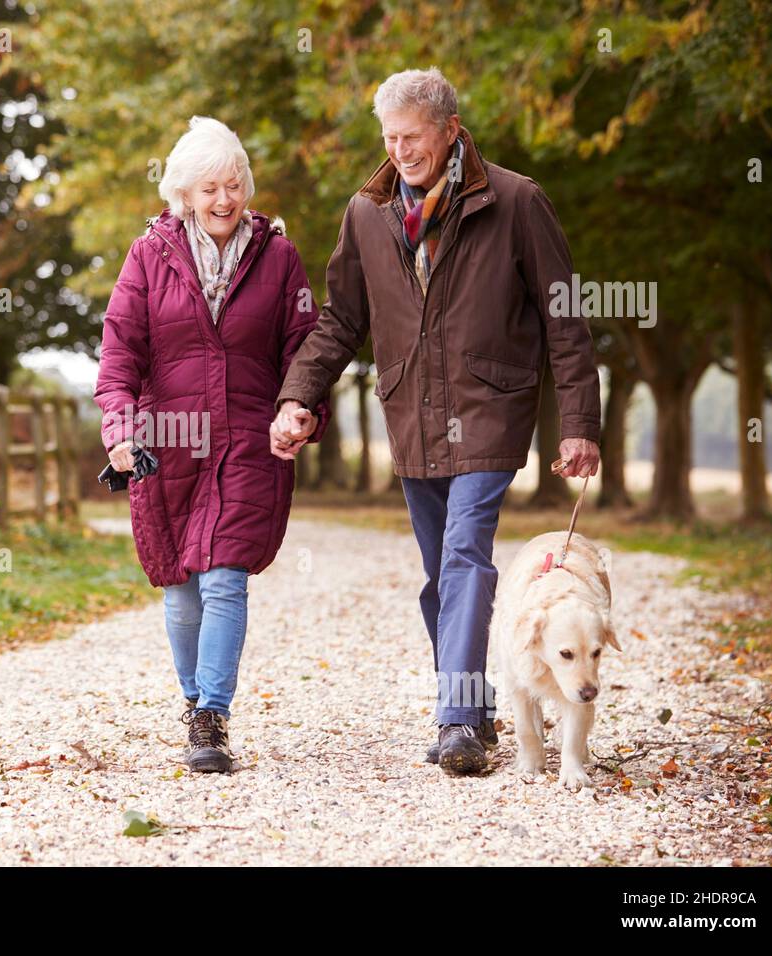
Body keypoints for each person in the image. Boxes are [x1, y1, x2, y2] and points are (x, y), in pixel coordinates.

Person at [271, 67, 602, 776]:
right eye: (389, 139)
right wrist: (298, 395)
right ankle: (476, 706)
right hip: (410, 413)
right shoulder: (368, 212)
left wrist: (579, 422)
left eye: (412, 137)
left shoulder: (515, 201)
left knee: (462, 558)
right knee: (438, 576)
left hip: (489, 408)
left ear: (450, 130)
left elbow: (564, 316)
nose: (400, 152)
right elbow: (341, 320)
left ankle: (457, 722)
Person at [94, 116, 331, 773]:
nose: (223, 200)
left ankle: (211, 718)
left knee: (225, 578)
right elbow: (119, 358)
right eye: (208, 189)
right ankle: (194, 700)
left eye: (233, 185)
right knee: (181, 588)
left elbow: (304, 349)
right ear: (182, 195)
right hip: (167, 443)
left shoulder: (279, 257)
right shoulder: (148, 256)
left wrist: (300, 410)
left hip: (250, 439)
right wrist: (120, 433)